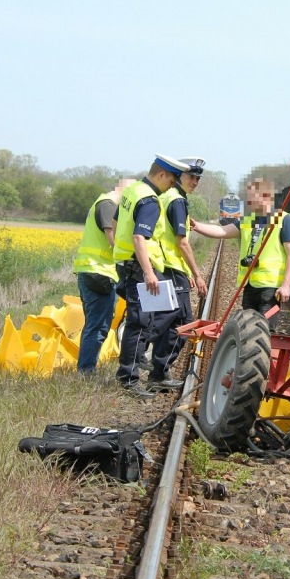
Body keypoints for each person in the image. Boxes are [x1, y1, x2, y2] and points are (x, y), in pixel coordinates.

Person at [112, 154, 191, 398]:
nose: (172, 186)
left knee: (165, 313)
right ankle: (128, 379)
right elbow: (138, 237)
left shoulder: (133, 190)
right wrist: (148, 273)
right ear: (162, 175)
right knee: (139, 322)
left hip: (126, 263)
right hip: (139, 267)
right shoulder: (149, 200)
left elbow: (116, 224)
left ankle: (150, 369)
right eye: (172, 180)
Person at [191, 177, 290, 329]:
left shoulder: (285, 220)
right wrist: (196, 226)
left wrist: (286, 285)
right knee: (248, 330)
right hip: (250, 285)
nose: (249, 202)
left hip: (271, 289)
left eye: (253, 198)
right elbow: (222, 231)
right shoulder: (248, 220)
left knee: (264, 330)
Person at [148, 156, 209, 389]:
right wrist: (197, 273)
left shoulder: (170, 197)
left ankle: (156, 370)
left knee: (173, 319)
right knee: (183, 322)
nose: (195, 182)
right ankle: (158, 372)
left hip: (168, 266)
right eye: (191, 177)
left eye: (197, 178)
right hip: (171, 267)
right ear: (179, 176)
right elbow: (181, 243)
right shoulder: (176, 201)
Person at [71, 178, 134, 375]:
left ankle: (86, 368)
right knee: (97, 327)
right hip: (98, 273)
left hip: (94, 272)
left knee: (96, 324)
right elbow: (113, 240)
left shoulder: (103, 202)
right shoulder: (108, 206)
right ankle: (86, 371)